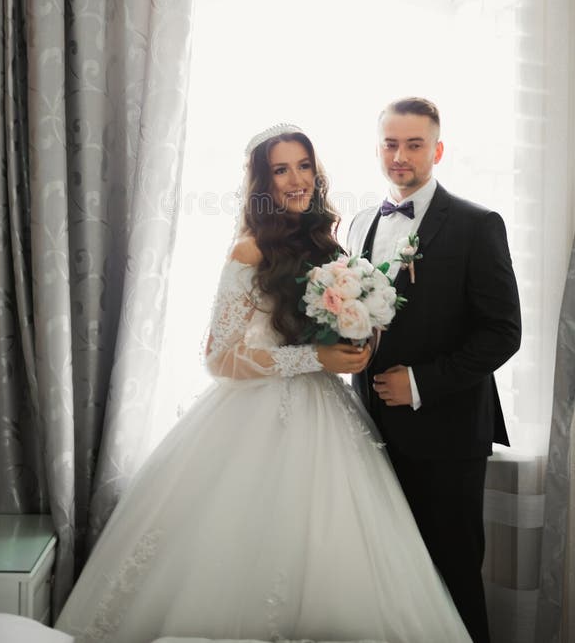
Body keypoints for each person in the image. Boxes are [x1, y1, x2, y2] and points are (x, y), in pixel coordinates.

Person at [56, 123, 471, 643]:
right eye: (280, 169)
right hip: (254, 416)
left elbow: (331, 325)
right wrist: (313, 357)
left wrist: (352, 347)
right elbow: (219, 356)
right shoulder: (249, 252)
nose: (295, 179)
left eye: (303, 166)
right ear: (263, 183)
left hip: (328, 414)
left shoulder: (326, 242)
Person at [347, 98, 521, 643]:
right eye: (390, 143)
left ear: (437, 150)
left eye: (414, 144)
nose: (400, 155)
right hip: (369, 435)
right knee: (388, 578)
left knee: (452, 574)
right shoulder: (358, 224)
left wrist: (420, 383)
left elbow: (502, 332)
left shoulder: (476, 225)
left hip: (447, 438)